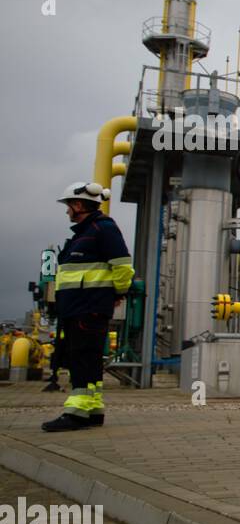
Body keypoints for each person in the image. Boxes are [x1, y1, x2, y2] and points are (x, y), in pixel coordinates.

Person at [41, 182, 133, 432]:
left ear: (79, 205)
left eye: (69, 206)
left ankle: (76, 413)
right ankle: (93, 409)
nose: (67, 211)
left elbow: (123, 266)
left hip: (88, 306)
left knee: (81, 359)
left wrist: (118, 292)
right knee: (89, 359)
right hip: (78, 307)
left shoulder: (102, 230)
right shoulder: (84, 234)